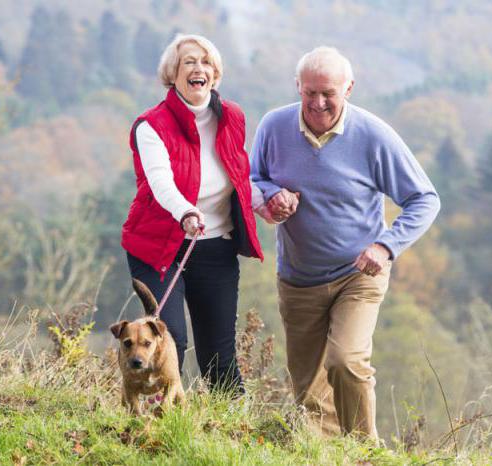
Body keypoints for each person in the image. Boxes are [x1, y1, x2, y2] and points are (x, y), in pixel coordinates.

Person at [250, 46, 440, 439]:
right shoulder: (273, 126)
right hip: (298, 278)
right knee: (308, 390)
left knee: (345, 361)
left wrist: (386, 247)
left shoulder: (373, 136)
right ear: (297, 88)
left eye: (328, 94)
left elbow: (424, 199)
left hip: (359, 273)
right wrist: (270, 197)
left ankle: (364, 450)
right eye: (309, 93)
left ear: (348, 89)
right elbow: (251, 180)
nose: (318, 103)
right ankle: (332, 454)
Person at [121, 33, 266, 393]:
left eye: (205, 62)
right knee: (169, 341)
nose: (198, 68)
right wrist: (186, 211)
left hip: (216, 246)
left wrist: (266, 203)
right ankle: (159, 422)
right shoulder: (150, 125)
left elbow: (238, 175)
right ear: (173, 74)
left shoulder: (232, 117)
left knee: (219, 353)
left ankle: (233, 429)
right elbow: (160, 181)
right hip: (159, 247)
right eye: (189, 62)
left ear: (215, 74)